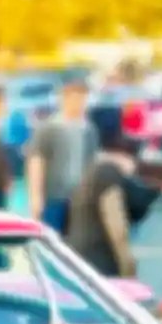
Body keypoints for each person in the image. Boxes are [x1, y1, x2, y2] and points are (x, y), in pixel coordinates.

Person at [65, 132, 153, 277]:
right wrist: (127, 264)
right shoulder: (109, 174)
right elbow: (116, 226)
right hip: (100, 260)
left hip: (80, 256)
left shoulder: (90, 173)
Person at [25, 79, 97, 234]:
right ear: (63, 99)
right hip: (53, 197)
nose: (79, 103)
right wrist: (36, 197)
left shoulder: (89, 130)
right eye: (74, 98)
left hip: (79, 199)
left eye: (82, 98)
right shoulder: (49, 128)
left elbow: (92, 164)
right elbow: (36, 161)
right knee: (51, 237)